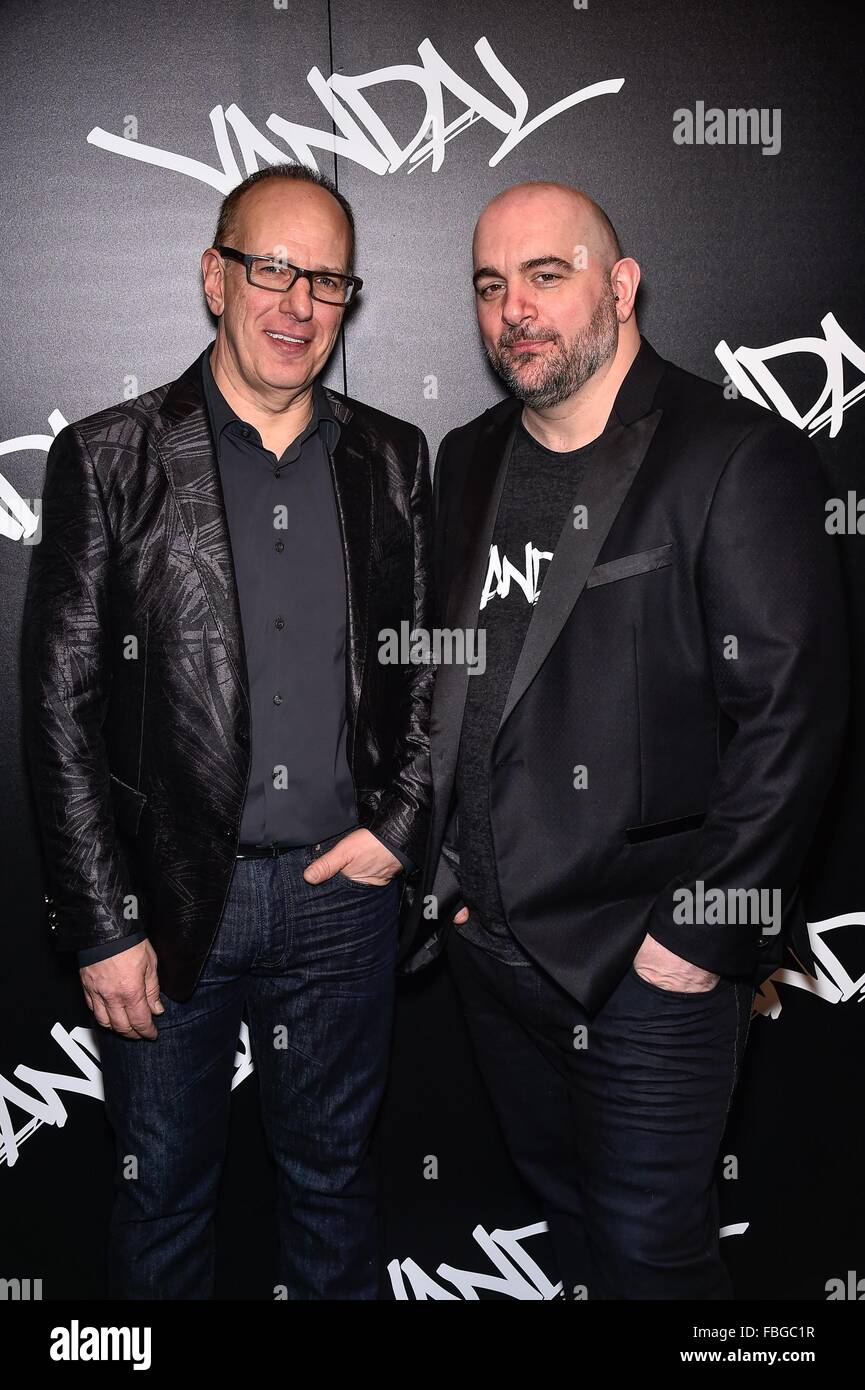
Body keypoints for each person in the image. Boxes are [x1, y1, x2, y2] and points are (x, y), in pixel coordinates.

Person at [399, 181, 848, 1299]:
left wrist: (695, 940)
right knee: (571, 1227)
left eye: (547, 276)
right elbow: (448, 681)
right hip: (495, 958)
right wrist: (448, 882)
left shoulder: (731, 455)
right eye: (492, 286)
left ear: (621, 284)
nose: (516, 311)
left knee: (653, 1262)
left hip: (642, 969)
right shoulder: (466, 460)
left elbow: (791, 717)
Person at [22, 164, 434, 1300]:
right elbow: (60, 707)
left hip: (342, 902)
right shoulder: (110, 459)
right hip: (167, 905)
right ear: (215, 276)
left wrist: (399, 823)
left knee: (337, 1194)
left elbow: (426, 666)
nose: (297, 304)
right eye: (271, 268)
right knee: (161, 1202)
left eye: (328, 281)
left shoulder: (393, 459)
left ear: (350, 300)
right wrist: (102, 922)